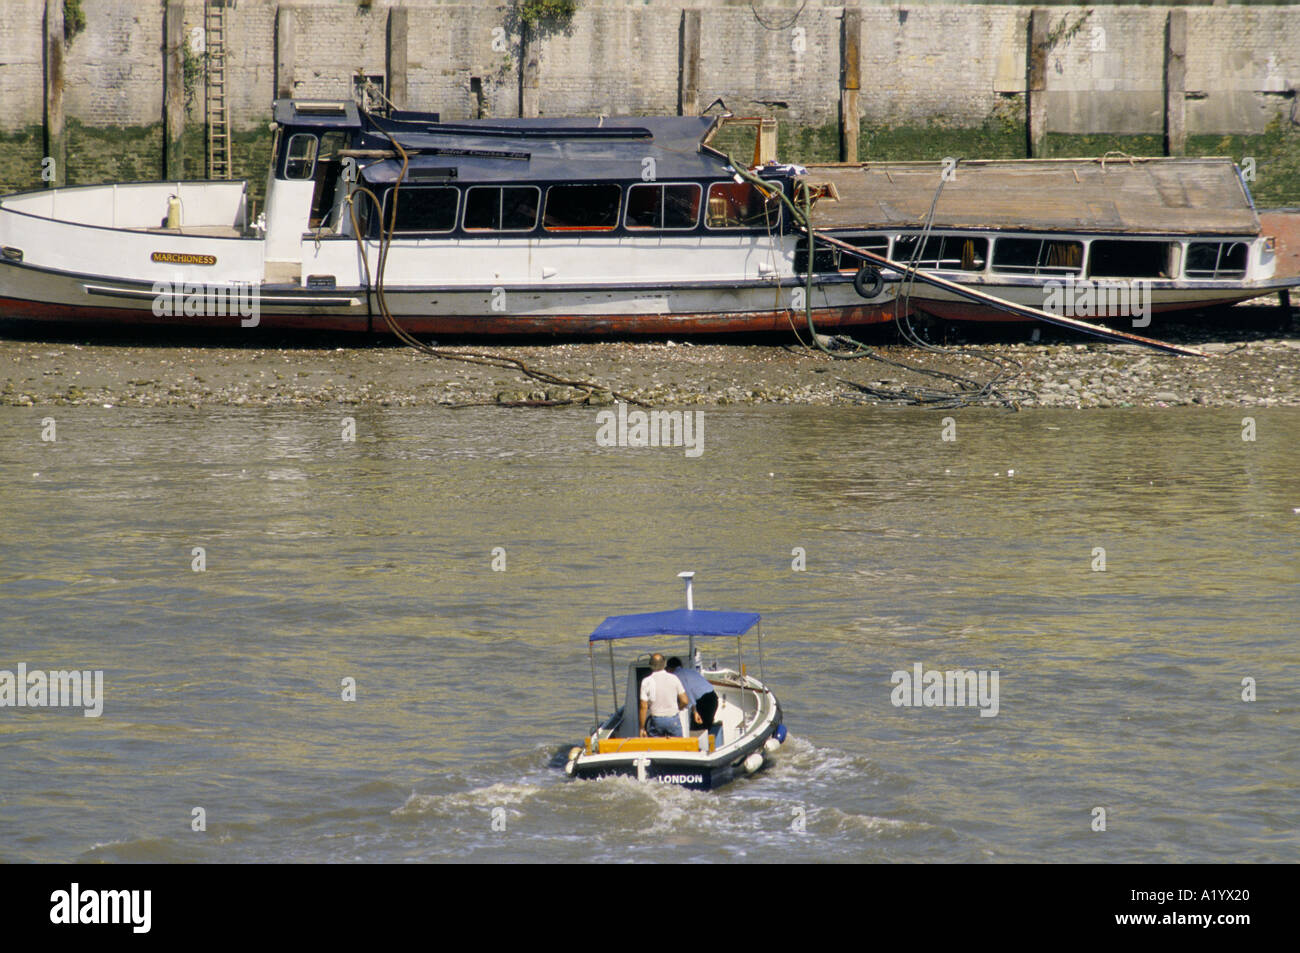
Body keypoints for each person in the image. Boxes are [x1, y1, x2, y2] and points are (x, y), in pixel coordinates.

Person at [667, 657, 719, 738]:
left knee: (698, 729)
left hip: (705, 701)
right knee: (703, 728)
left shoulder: (677, 675)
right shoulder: (687, 671)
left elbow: (687, 694)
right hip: (712, 697)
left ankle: (700, 748)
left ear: (669, 669)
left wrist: (694, 712)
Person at [639, 653, 688, 737]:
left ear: (650, 665)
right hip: (673, 719)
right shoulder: (674, 678)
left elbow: (643, 706)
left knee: (656, 748)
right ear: (665, 664)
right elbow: (685, 701)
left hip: (656, 720)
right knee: (677, 748)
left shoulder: (646, 681)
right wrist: (677, 708)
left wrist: (642, 728)